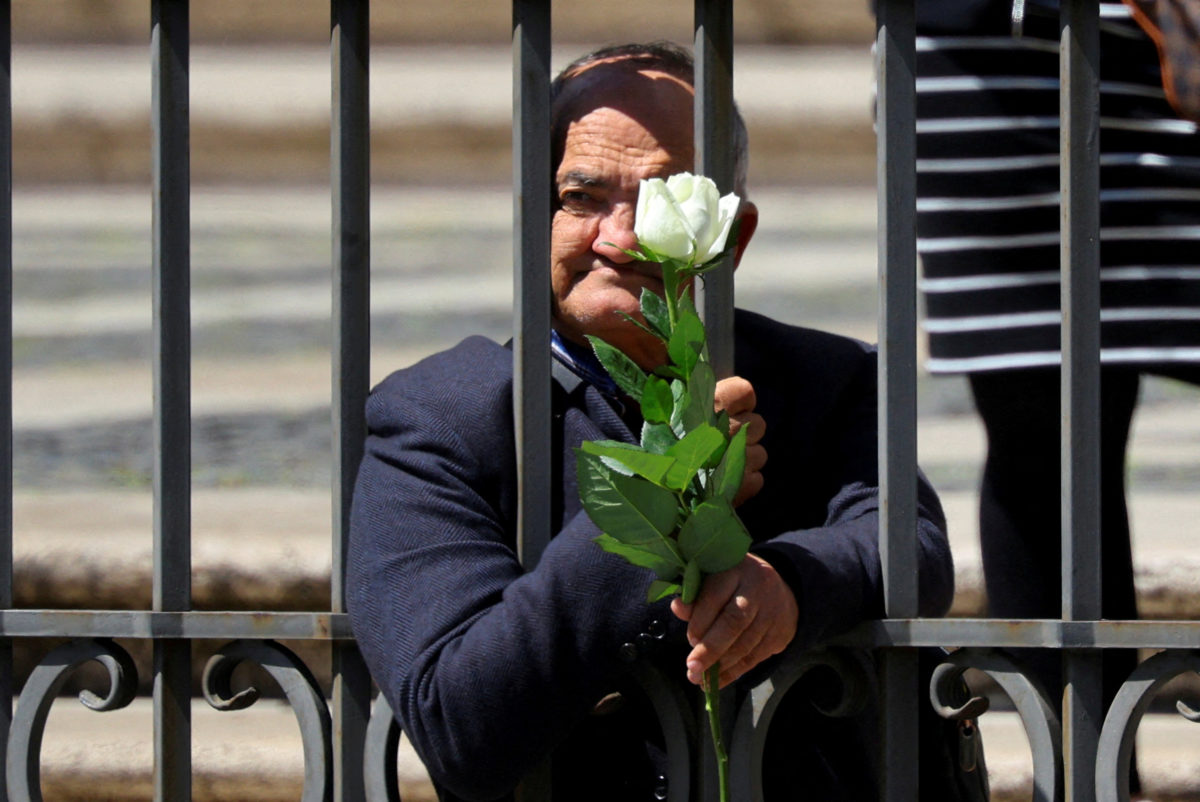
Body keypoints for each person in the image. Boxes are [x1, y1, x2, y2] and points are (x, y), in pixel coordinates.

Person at [348, 41, 954, 801]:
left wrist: (790, 583)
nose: (622, 236)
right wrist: (657, 502)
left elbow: (913, 546)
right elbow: (459, 723)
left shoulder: (823, 379)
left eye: (666, 198)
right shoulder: (437, 418)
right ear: (534, 218)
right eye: (582, 197)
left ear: (732, 237)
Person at [907, 0, 1200, 793]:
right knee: (1046, 427)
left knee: (1057, 433)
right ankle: (1083, 777)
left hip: (1164, 45)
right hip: (989, 59)